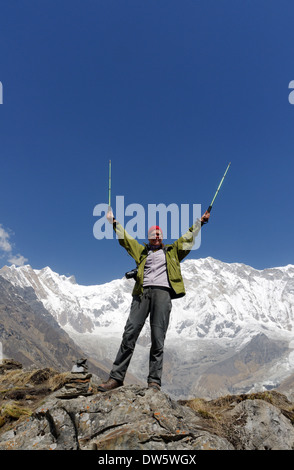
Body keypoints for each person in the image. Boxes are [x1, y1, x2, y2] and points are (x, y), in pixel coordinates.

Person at [98, 207, 210, 392]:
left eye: (159, 235)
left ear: (162, 237)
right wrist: (113, 222)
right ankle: (116, 378)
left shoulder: (173, 252)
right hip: (142, 294)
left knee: (158, 338)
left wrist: (201, 222)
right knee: (130, 333)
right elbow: (126, 239)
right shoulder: (141, 252)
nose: (156, 237)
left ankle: (154, 382)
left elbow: (188, 237)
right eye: (153, 235)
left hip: (163, 294)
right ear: (149, 237)